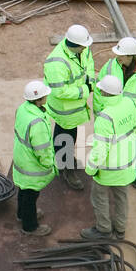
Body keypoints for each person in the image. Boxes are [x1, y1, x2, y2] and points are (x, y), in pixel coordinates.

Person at [93, 35, 136, 189]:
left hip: (133, 120)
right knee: (112, 146)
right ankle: (115, 172)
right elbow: (98, 90)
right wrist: (99, 114)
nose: (118, 58)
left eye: (122, 55)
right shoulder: (109, 67)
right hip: (113, 117)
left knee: (134, 146)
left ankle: (134, 172)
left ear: (131, 56)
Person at [80, 73, 136, 240]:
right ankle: (120, 230)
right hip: (127, 164)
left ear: (105, 93)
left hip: (108, 169)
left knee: (99, 197)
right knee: (122, 197)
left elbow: (100, 150)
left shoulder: (105, 118)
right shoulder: (131, 103)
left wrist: (90, 169)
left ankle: (104, 229)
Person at [42, 23, 94, 191]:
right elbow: (59, 91)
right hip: (64, 108)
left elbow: (89, 65)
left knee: (70, 134)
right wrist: (85, 89)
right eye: (83, 46)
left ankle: (66, 159)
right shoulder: (56, 63)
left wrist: (90, 81)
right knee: (65, 135)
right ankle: (66, 168)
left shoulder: (82, 49)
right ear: (75, 45)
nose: (86, 48)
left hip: (75, 106)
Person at [12, 79, 56, 236]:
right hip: (32, 163)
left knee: (23, 190)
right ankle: (29, 226)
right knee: (31, 194)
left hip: (22, 157)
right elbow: (41, 148)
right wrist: (48, 163)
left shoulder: (23, 109)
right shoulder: (37, 122)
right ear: (39, 100)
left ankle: (21, 214)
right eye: (45, 96)